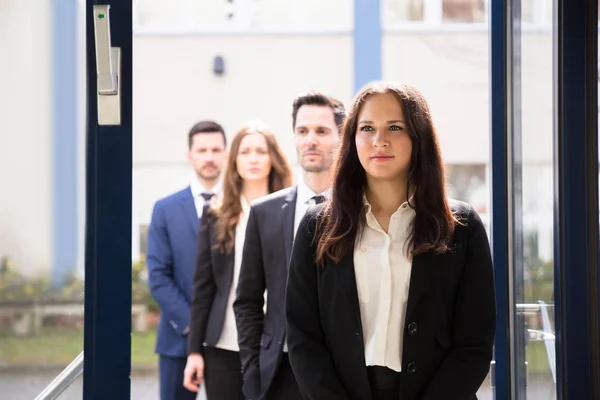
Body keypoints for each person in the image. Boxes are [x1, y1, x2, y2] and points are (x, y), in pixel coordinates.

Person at [285, 82, 496, 400]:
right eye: (366, 128)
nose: (378, 140)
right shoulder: (317, 227)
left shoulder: (461, 227)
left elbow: (474, 342)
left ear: (418, 136)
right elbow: (303, 339)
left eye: (394, 127)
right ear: (352, 138)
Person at [233, 92, 346, 400]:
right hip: (278, 373)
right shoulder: (264, 212)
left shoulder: (359, 212)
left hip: (342, 375)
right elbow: (247, 300)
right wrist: (252, 369)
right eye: (302, 131)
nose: (311, 140)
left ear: (341, 136)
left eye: (321, 131)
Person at [183, 121, 293, 399]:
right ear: (233, 161)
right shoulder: (216, 213)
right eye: (245, 152)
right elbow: (204, 286)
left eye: (261, 151)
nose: (253, 159)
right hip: (224, 345)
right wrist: (194, 350)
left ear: (274, 159)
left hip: (277, 342)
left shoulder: (292, 210)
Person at [147, 121, 227, 400]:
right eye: (202, 150)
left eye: (216, 149)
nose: (209, 157)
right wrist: (193, 324)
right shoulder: (165, 209)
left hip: (229, 338)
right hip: (177, 339)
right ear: (190, 154)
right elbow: (158, 276)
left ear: (226, 153)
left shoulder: (240, 208)